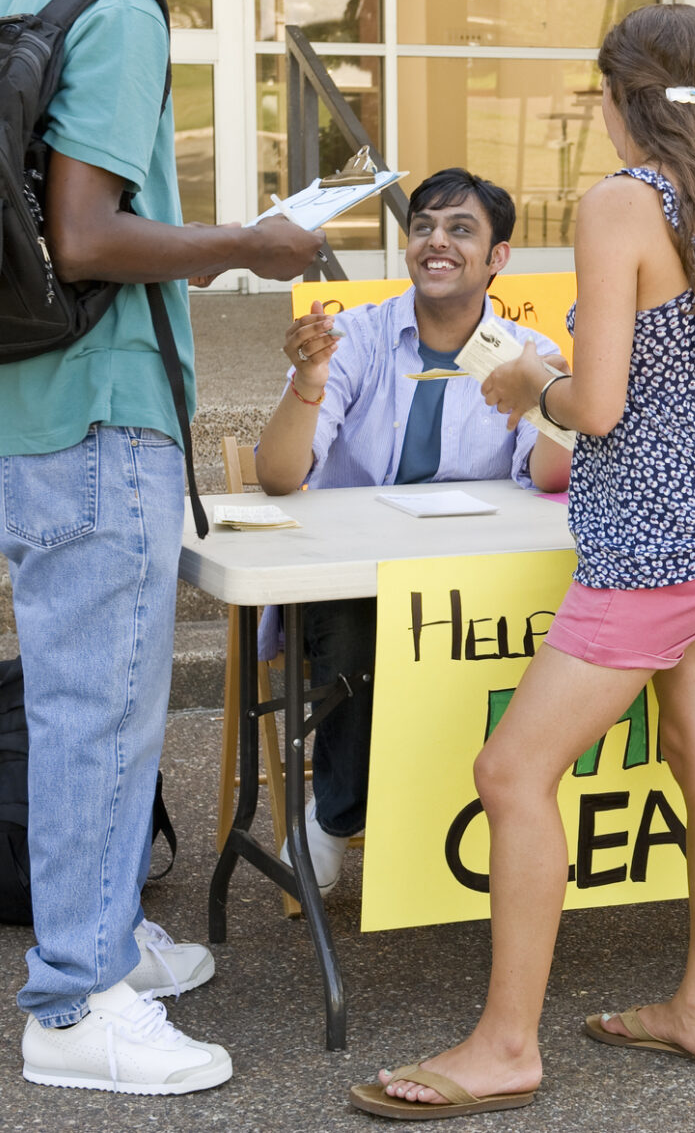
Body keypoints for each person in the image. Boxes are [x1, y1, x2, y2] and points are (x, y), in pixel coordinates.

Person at [347, 3, 695, 1120]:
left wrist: (528, 384)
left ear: (617, 96)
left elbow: (595, 406)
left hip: (653, 544)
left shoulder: (622, 202)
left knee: (512, 773)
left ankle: (506, 1044)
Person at [0, 0, 322, 1095]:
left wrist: (198, 249)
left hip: (21, 408)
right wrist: (247, 244)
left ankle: (104, 941)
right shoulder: (116, 10)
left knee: (91, 698)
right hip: (101, 407)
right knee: (99, 711)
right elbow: (85, 235)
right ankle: (74, 1003)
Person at [252, 168, 571, 887]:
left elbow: (550, 479)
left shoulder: (525, 349)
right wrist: (309, 381)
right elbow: (278, 476)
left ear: (498, 257)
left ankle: (484, 803)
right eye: (423, 226)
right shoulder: (355, 337)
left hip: (478, 578)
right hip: (355, 582)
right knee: (355, 620)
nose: (436, 241)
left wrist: (551, 398)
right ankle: (338, 814)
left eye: (461, 229)